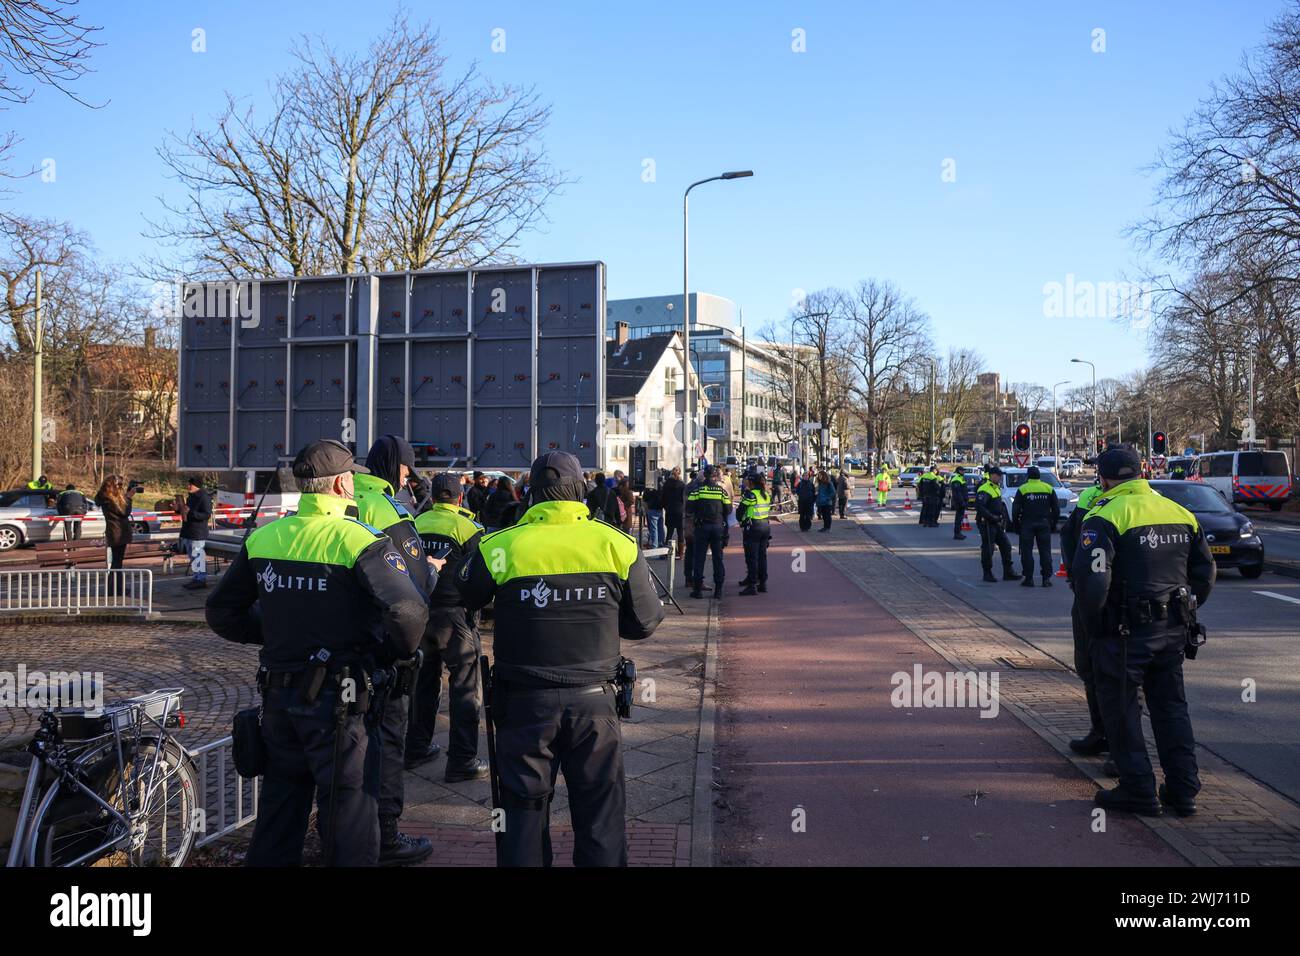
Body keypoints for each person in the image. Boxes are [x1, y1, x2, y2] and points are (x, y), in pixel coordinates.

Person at [205, 439, 429, 866]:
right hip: (341, 703)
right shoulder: (360, 540)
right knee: (350, 815)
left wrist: (275, 634)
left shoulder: (265, 537)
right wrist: (387, 653)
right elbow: (407, 609)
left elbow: (221, 611)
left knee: (279, 813)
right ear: (344, 484)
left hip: (279, 700)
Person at [456, 451, 664, 866]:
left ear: (531, 493)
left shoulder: (501, 545)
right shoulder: (616, 544)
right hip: (595, 700)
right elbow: (644, 622)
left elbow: (465, 594)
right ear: (580, 492)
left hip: (522, 703)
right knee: (600, 812)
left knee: (520, 814)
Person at [1071, 446, 1216, 817]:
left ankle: (1138, 788)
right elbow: (1205, 573)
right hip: (1172, 631)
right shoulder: (1180, 512)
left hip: (1122, 633)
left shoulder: (1104, 514)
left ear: (1102, 479)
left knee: (1121, 711)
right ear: (1141, 472)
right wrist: (1183, 608)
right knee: (1171, 709)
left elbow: (1092, 583)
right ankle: (1183, 789)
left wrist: (1095, 631)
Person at [353, 435, 439, 865]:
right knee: (386, 740)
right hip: (381, 647)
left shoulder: (344, 498)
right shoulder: (389, 510)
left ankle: (340, 832)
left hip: (337, 647)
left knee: (345, 743)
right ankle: (386, 835)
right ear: (396, 468)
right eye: (407, 469)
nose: (411, 476)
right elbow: (415, 582)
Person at [411, 472, 490, 783]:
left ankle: (415, 747)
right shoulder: (469, 528)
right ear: (459, 497)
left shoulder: (415, 524)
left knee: (422, 684)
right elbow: (481, 577)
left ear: (433, 497)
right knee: (465, 688)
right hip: (456, 618)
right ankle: (462, 760)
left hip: (420, 615)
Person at [1060, 478, 1107, 757]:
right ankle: (1101, 733)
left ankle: (1118, 749)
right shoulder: (1160, 502)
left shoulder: (1093, 501)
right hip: (1097, 599)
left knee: (1109, 673)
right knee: (1092, 668)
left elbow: (1071, 541)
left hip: (1102, 603)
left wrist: (1078, 583)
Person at [1011, 465, 1060, 588]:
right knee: (1045, 552)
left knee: (1026, 552)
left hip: (1027, 524)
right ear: (1039, 476)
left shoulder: (1023, 489)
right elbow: (1056, 509)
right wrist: (1053, 524)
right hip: (1044, 524)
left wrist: (1016, 526)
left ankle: (1029, 579)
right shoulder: (1048, 488)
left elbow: (1015, 509)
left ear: (1028, 476)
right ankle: (1046, 579)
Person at [687, 466, 731, 599]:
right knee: (718, 559)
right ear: (715, 476)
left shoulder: (697, 491)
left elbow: (688, 509)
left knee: (699, 558)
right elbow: (728, 510)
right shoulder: (721, 491)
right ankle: (718, 590)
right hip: (717, 528)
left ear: (704, 475)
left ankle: (697, 590)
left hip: (701, 527)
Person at [974, 467, 1019, 583]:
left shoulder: (996, 488)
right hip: (988, 523)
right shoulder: (985, 489)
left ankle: (1008, 572)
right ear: (992, 475)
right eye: (998, 475)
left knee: (1006, 546)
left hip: (996, 523)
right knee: (988, 549)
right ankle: (987, 573)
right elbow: (979, 507)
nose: (1000, 478)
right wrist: (992, 517)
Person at [94, 476, 137, 594]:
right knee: (117, 562)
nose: (120, 488)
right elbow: (124, 512)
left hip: (114, 531)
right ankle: (115, 589)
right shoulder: (110, 499)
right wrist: (128, 497)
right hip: (118, 532)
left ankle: (115, 588)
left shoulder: (106, 498)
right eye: (119, 486)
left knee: (116, 562)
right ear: (113, 486)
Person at [736, 473, 772, 595]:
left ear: (751, 483)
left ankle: (752, 585)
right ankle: (763, 583)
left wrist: (741, 521)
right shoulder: (766, 495)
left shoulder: (750, 495)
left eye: (747, 481)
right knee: (762, 556)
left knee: (752, 557)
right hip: (765, 527)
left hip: (753, 527)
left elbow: (740, 511)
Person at [178, 477, 213, 590]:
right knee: (193, 557)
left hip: (197, 532)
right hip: (189, 531)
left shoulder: (204, 497)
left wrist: (191, 513)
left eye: (190, 485)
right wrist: (178, 509)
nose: (188, 486)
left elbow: (206, 514)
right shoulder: (191, 496)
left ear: (196, 485)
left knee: (198, 556)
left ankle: (201, 580)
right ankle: (197, 578)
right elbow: (187, 512)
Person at [661, 467, 685, 558]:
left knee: (669, 532)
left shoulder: (666, 485)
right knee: (680, 533)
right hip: (680, 511)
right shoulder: (682, 485)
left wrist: (666, 507)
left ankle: (668, 553)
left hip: (670, 510)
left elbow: (663, 498)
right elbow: (684, 499)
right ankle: (681, 554)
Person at [642, 480, 664, 549]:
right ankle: (661, 544)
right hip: (660, 509)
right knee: (660, 528)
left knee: (654, 529)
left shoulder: (649, 486)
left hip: (652, 509)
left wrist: (646, 509)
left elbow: (645, 498)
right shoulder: (662, 486)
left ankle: (654, 546)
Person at [949, 467, 968, 539]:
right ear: (959, 471)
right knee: (958, 519)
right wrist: (962, 502)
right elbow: (958, 493)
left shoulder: (960, 478)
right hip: (959, 502)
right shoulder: (956, 479)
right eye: (963, 470)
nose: (964, 472)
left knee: (960, 518)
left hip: (961, 501)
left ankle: (958, 532)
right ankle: (957, 533)